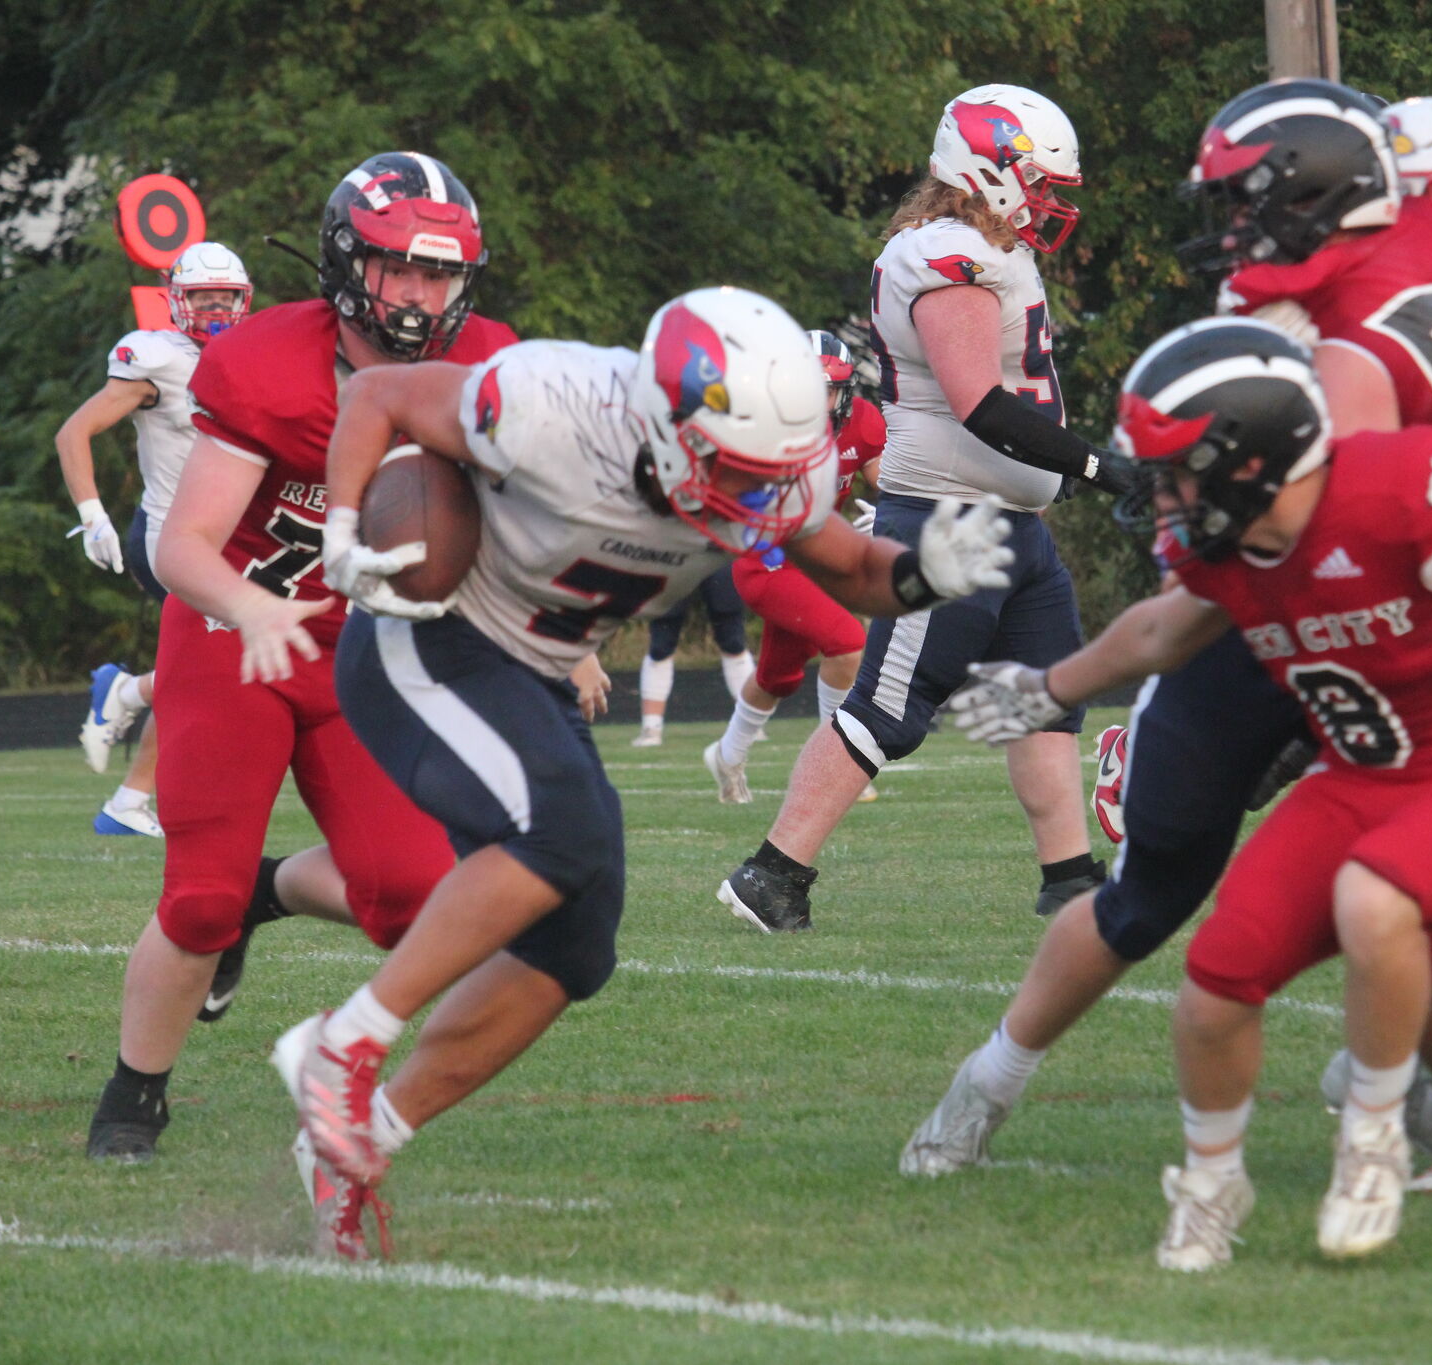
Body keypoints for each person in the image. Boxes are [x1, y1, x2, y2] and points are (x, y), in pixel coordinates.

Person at [270, 285, 1015, 1259]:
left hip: (533, 673)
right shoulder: (549, 401)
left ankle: (357, 1142)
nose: (755, 498)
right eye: (735, 472)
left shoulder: (769, 463)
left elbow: (850, 568)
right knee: (562, 833)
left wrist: (921, 574)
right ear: (665, 420)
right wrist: (340, 527)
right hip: (430, 638)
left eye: (769, 476)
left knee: (575, 950)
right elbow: (379, 395)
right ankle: (343, 1047)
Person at [903, 79, 1432, 1183]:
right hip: (1277, 615)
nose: (1236, 227)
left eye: (1251, 199)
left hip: (1380, 619)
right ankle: (987, 1081)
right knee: (1153, 895)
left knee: (1409, 881)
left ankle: (1412, 1083)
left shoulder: (1341, 312)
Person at [946, 318, 1432, 1267]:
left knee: (1375, 899)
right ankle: (1213, 1185)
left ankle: (1370, 1141)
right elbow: (1163, 629)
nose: (1168, 497)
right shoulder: (1237, 544)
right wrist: (1048, 687)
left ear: (1255, 457)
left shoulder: (1400, 488)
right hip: (1361, 779)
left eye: (1181, 472)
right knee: (1216, 980)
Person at [83, 151, 519, 1167]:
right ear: (346, 263)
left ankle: (264, 891)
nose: (420, 296)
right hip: (233, 636)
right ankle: (135, 1090)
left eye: (440, 274)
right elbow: (184, 546)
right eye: (399, 269)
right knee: (196, 897)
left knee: (411, 898)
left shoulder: (487, 364)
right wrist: (249, 607)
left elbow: (518, 519)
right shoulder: (271, 362)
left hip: (362, 649)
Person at [718, 83, 1123, 932]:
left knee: (1043, 701)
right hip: (950, 519)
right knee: (889, 709)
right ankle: (770, 874)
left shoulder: (988, 246)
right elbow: (981, 404)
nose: (1048, 202)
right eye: (1039, 181)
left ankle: (1069, 878)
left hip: (1009, 522)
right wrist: (1100, 465)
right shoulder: (945, 254)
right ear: (987, 167)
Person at [57, 241, 253, 839]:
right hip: (171, 538)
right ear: (177, 300)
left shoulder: (255, 352)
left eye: (226, 297)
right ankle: (128, 704)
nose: (215, 308)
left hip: (226, 540)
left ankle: (128, 792)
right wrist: (92, 515)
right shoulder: (157, 358)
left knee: (206, 667)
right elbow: (73, 433)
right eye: (202, 297)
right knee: (222, 663)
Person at [703, 329, 885, 804]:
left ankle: (726, 755)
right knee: (848, 643)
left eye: (826, 391)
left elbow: (887, 485)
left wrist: (892, 516)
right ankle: (837, 762)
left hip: (816, 562)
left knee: (777, 677)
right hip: (767, 560)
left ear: (845, 392)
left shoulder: (862, 423)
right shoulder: (766, 431)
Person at [629, 567, 754, 748]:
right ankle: (651, 727)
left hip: (718, 557)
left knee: (733, 640)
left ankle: (749, 725)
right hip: (676, 559)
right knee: (661, 644)